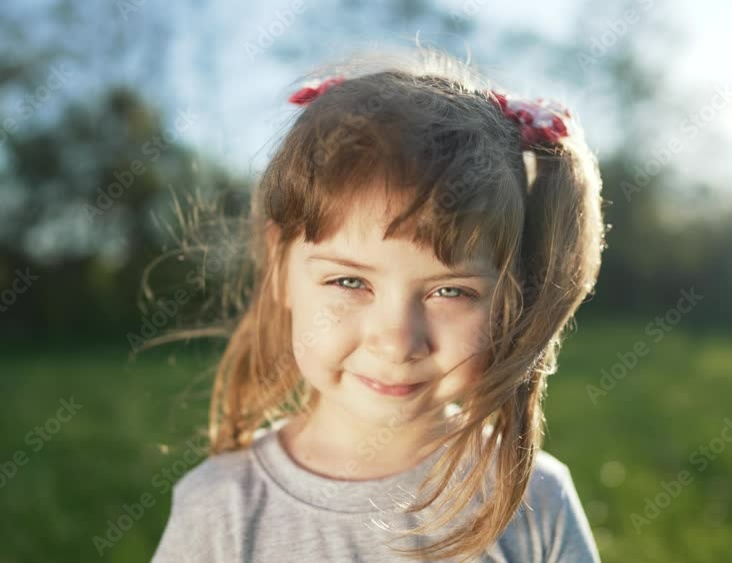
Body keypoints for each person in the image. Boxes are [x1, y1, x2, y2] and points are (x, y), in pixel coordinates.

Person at [150, 47, 607, 562]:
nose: (395, 340)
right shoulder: (219, 507)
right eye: (349, 281)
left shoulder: (533, 498)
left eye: (450, 291)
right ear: (280, 268)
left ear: (510, 297)